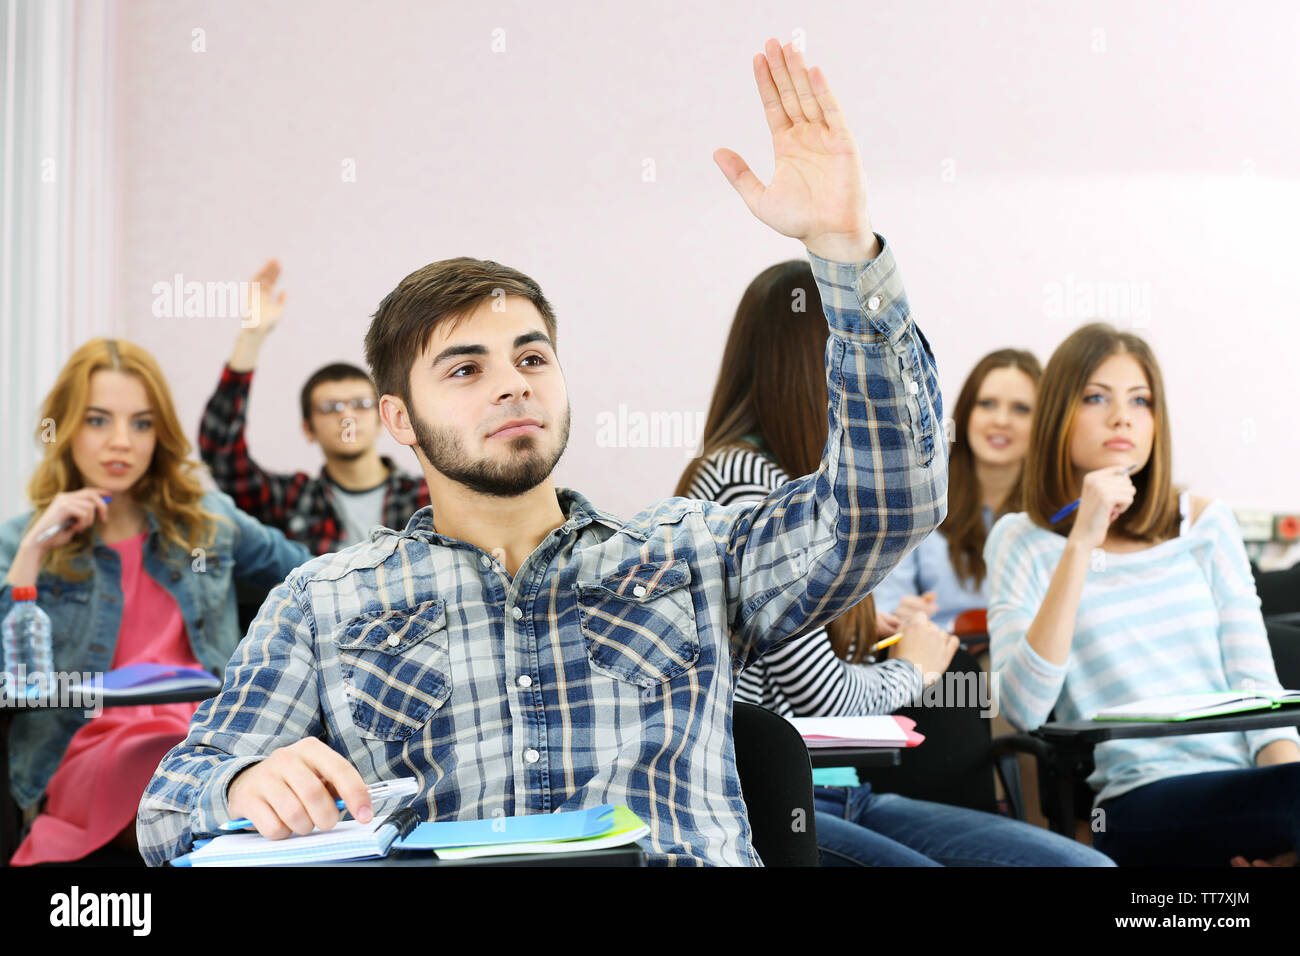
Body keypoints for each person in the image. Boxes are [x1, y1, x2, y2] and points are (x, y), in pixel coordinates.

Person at [137, 39, 947, 867]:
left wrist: (845, 252)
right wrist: (241, 783)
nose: (513, 386)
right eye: (465, 369)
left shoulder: (695, 554)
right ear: (399, 418)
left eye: (532, 358)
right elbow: (167, 813)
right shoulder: (320, 603)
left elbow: (893, 500)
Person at [678, 263, 1111, 866]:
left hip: (837, 788)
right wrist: (914, 668)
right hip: (773, 804)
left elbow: (792, 661)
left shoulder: (772, 482)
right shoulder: (749, 488)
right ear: (810, 361)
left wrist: (855, 630)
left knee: (1084, 865)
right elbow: (821, 696)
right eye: (847, 356)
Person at [987, 322, 1300, 867]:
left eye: (1141, 400)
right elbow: (1023, 707)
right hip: (1139, 803)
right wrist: (1082, 540)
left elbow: (1258, 689)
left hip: (1249, 790)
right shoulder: (1022, 539)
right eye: (1095, 398)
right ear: (1060, 411)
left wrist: (1285, 833)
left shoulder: (1205, 524)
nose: (1122, 417)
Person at [0, 338, 311, 866]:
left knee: (212, 761)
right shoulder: (21, 541)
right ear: (65, 427)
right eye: (98, 421)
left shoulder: (208, 520)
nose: (121, 442)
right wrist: (31, 553)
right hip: (90, 744)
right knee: (151, 755)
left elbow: (310, 579)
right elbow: (15, 681)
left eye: (141, 424)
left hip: (211, 733)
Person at [198, 258, 429, 555]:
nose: (346, 415)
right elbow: (221, 455)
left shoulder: (425, 496)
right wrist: (251, 339)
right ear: (308, 429)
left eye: (359, 404)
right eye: (330, 407)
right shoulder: (292, 499)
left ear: (382, 418)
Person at [871, 349, 1041, 631]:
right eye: (987, 404)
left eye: (1021, 409)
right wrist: (899, 614)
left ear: (1043, 424)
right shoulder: (917, 491)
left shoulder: (1055, 509)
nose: (1001, 420)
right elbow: (885, 607)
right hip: (933, 662)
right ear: (966, 413)